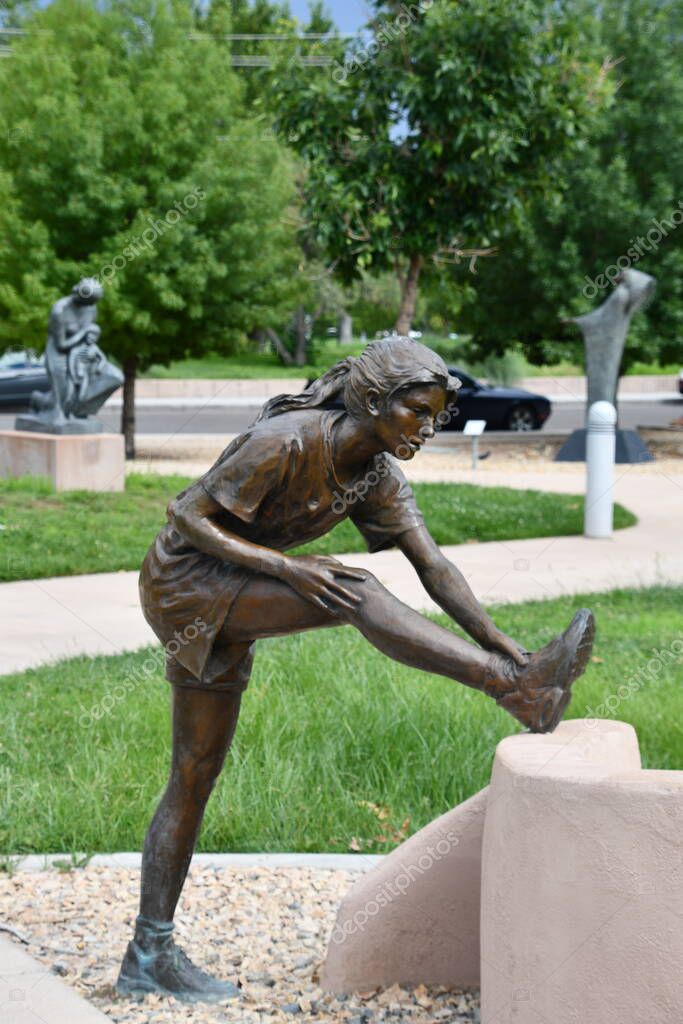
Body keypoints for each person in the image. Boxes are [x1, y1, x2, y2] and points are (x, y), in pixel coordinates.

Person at [116, 336, 594, 1003]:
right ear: (372, 399)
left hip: (234, 591)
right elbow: (185, 515)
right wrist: (287, 567)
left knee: (193, 776)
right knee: (354, 591)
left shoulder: (375, 472)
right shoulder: (287, 441)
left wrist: (504, 640)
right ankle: (514, 693)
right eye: (416, 413)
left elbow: (433, 568)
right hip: (185, 586)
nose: (426, 429)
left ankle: (148, 950)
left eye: (435, 417)